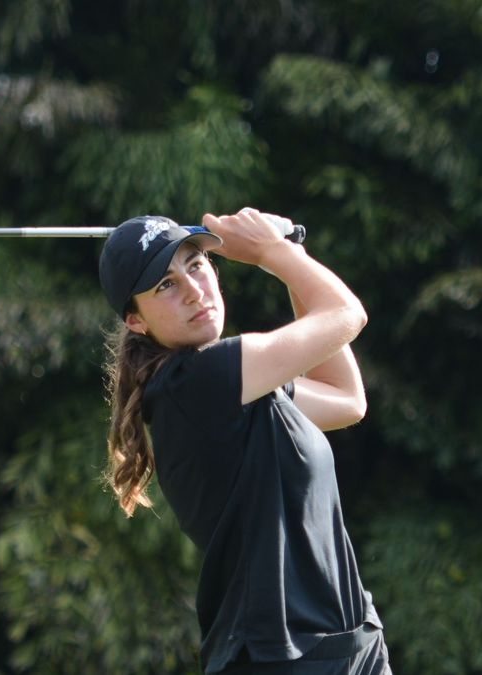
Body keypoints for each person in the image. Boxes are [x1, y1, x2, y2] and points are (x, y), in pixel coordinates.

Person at [98, 209, 391, 675]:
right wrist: (272, 253)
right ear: (136, 321)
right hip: (283, 660)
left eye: (195, 265)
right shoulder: (197, 381)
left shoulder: (237, 387)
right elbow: (346, 313)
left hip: (350, 646)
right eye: (165, 286)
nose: (194, 290)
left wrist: (289, 250)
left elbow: (346, 399)